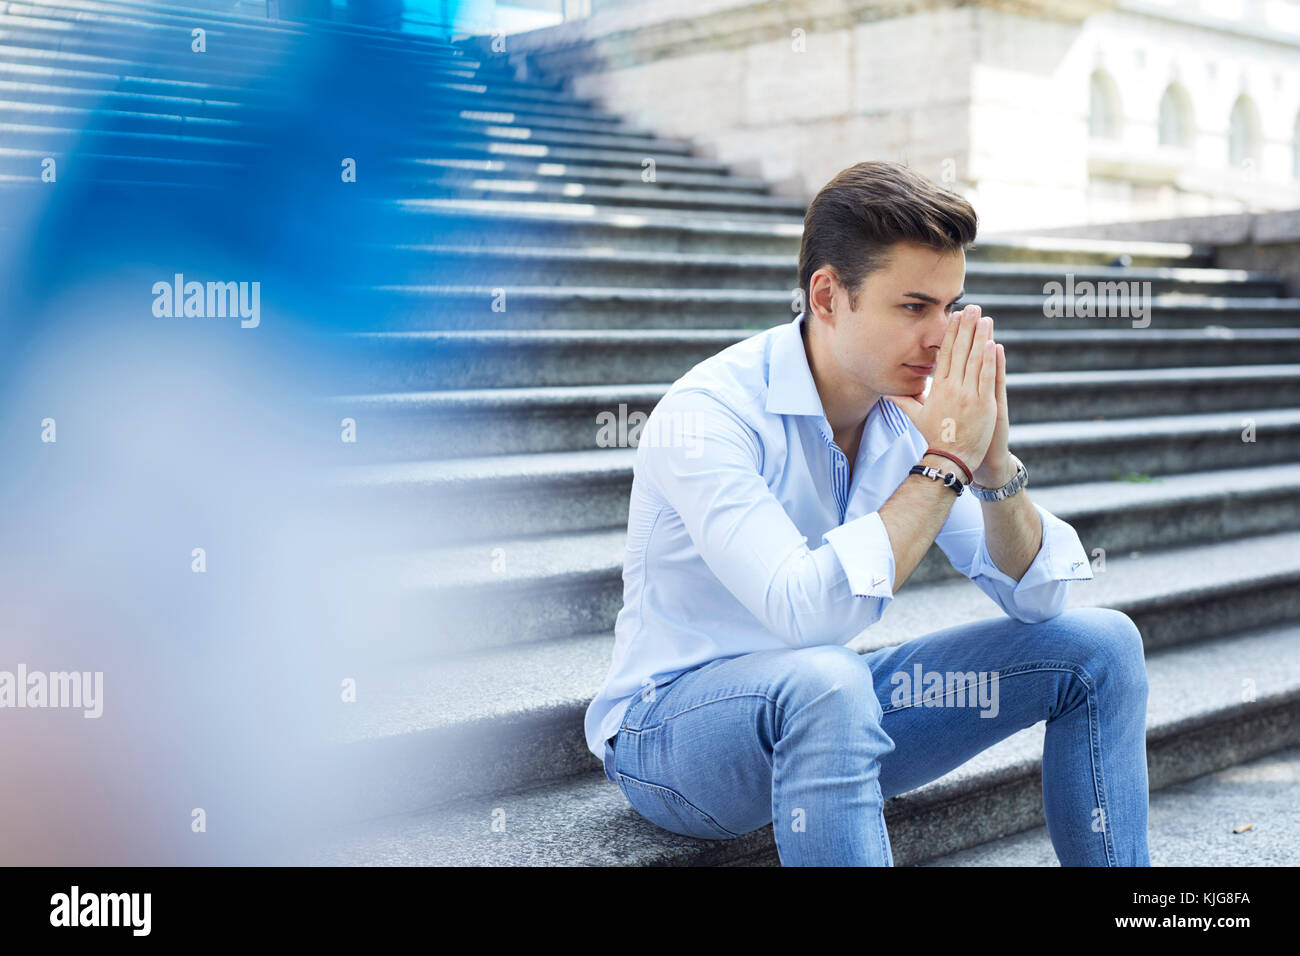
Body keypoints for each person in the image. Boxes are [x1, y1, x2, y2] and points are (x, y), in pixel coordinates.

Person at [583, 160, 1150, 866]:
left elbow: (1040, 596)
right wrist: (945, 463)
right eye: (914, 307)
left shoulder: (910, 413)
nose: (941, 338)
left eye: (951, 306)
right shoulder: (708, 415)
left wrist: (992, 464)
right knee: (828, 680)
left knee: (1101, 648)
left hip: (831, 713)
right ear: (826, 296)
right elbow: (804, 614)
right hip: (670, 738)